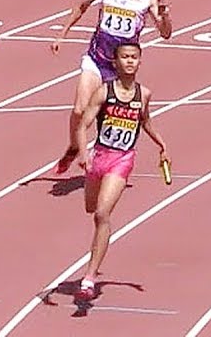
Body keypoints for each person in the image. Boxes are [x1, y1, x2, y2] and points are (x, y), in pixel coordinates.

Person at [51, 0, 171, 173]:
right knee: (79, 110)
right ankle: (74, 147)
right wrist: (62, 34)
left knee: (107, 117)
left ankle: (107, 162)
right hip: (96, 58)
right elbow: (81, 6)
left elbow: (165, 33)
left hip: (121, 68)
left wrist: (165, 14)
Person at [72, 42, 169, 301]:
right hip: (99, 158)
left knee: (102, 214)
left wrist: (161, 144)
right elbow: (83, 125)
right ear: (115, 62)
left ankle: (89, 278)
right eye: (124, 57)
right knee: (91, 208)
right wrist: (83, 154)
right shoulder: (104, 92)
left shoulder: (144, 94)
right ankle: (91, 272)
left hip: (122, 160)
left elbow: (145, 121)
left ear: (140, 62)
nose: (129, 61)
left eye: (134, 57)